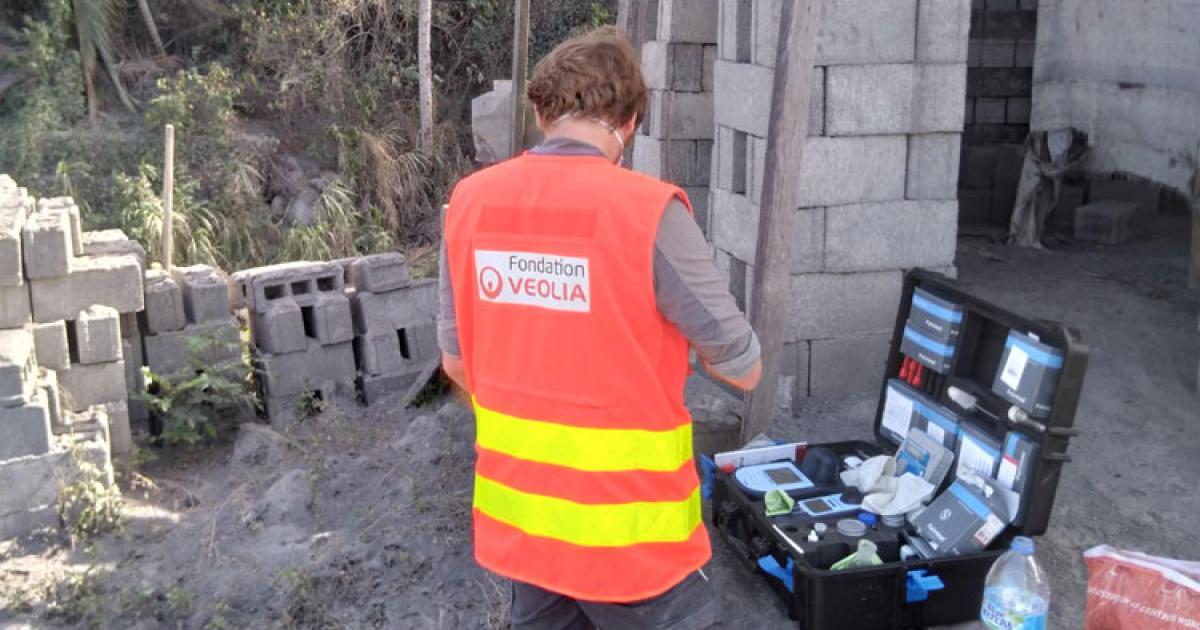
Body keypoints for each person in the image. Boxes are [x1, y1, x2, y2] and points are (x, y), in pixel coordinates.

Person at [437, 26, 761, 630]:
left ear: (539, 110)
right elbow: (743, 368)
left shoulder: (471, 203)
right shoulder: (648, 214)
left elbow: (456, 364)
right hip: (632, 543)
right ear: (631, 121)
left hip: (529, 532)